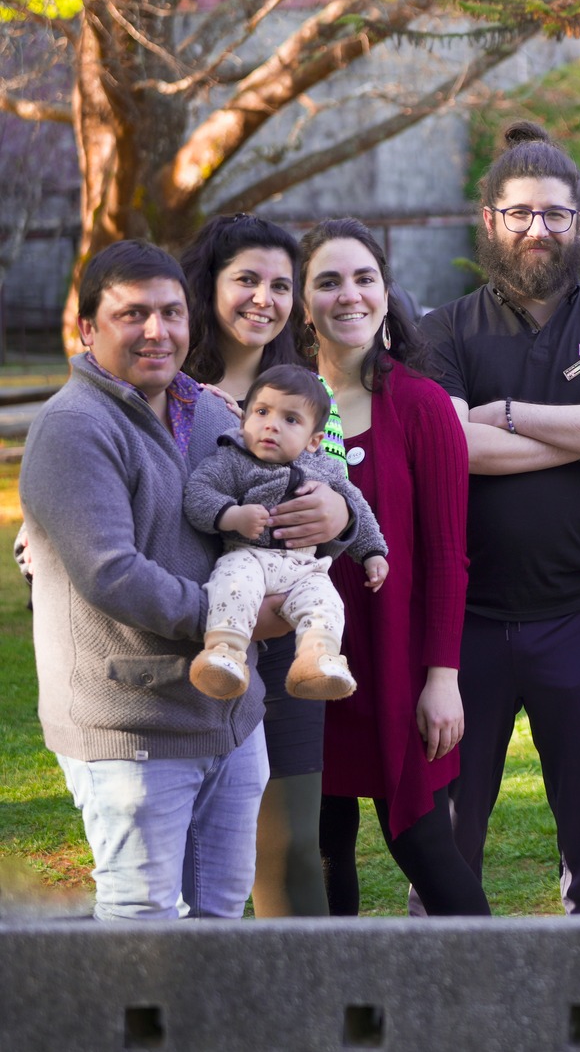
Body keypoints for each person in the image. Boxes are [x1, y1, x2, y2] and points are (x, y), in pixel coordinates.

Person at [20, 241, 346, 920]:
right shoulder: (73, 427)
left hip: (231, 721)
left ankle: (208, 1033)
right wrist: (233, 619)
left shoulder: (215, 417)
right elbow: (112, 573)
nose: (156, 330)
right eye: (131, 313)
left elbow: (286, 494)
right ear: (87, 328)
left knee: (222, 917)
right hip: (132, 728)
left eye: (171, 312)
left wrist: (337, 517)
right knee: (142, 922)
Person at [416, 122, 580, 913]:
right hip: (464, 621)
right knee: (448, 828)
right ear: (490, 219)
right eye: (520, 214)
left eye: (555, 214)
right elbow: (453, 450)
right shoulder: (444, 329)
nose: (537, 230)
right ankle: (444, 993)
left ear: (579, 222)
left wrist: (510, 413)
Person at [302, 218, 490, 918]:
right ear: (303, 302)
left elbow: (447, 554)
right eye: (328, 281)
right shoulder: (283, 407)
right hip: (303, 664)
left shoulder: (419, 403)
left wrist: (442, 678)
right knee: (322, 849)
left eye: (363, 278)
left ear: (385, 292)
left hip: (398, 665)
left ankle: (492, 1003)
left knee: (422, 847)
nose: (348, 295)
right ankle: (336, 1007)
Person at [180, 212, 349, 918]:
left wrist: (338, 518)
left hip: (284, 646)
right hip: (182, 639)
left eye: (281, 285)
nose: (264, 298)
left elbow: (335, 499)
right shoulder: (172, 390)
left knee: (289, 846)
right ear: (208, 285)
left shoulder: (312, 397)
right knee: (185, 854)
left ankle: (306, 1017)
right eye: (246, 278)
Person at [182, 364, 386, 701]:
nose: (271, 425)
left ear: (314, 440)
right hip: (248, 554)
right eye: (261, 412)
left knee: (327, 604)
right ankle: (225, 653)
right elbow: (199, 493)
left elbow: (357, 505)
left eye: (290, 420)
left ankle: (316, 659)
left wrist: (373, 552)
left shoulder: (324, 467)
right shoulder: (233, 458)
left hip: (304, 567)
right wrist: (231, 516)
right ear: (244, 418)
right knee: (233, 587)